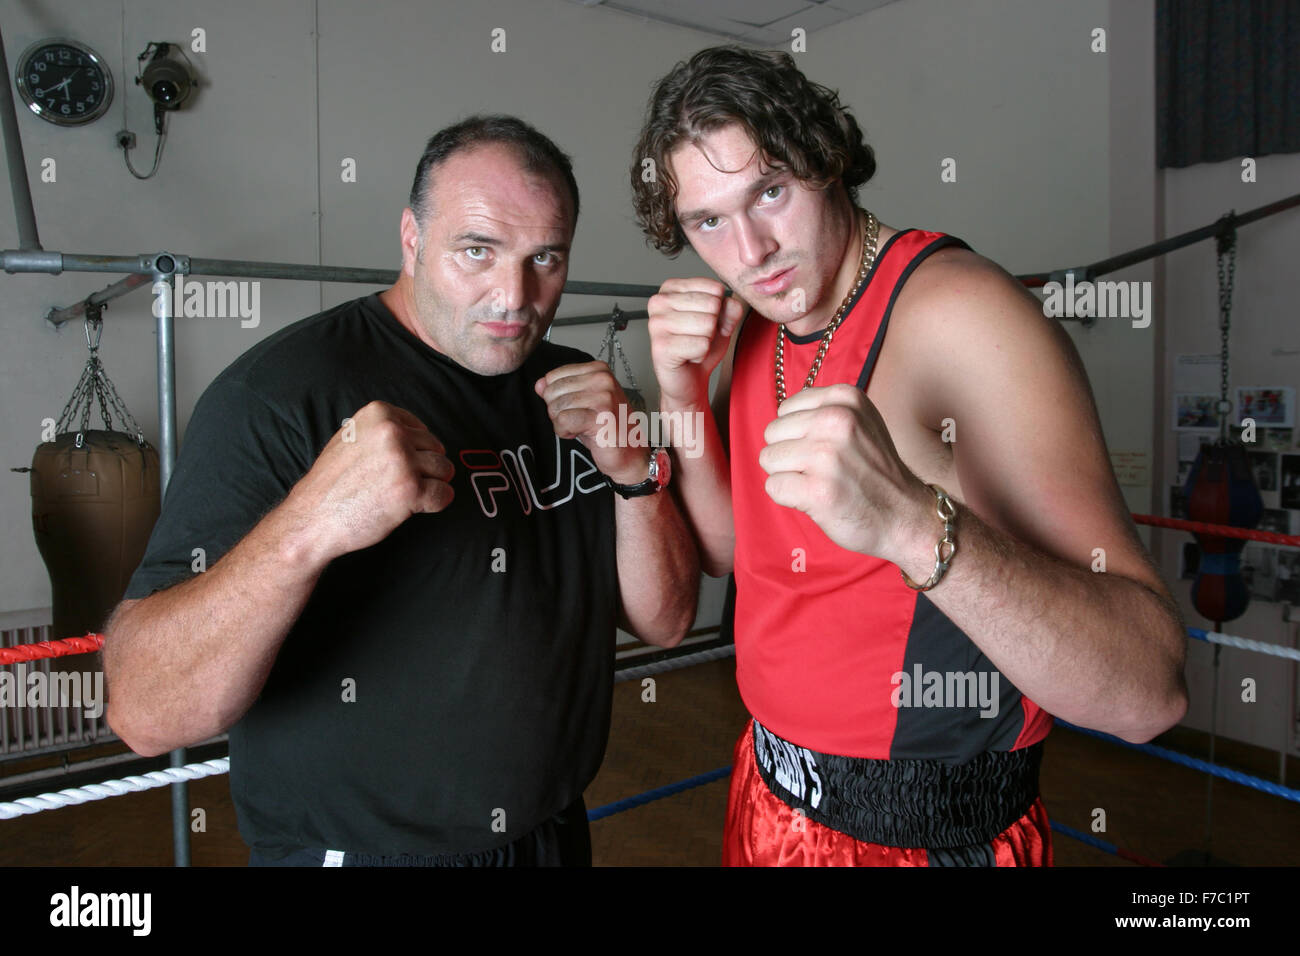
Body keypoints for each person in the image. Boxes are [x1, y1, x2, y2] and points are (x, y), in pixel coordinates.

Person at [632, 47, 1189, 866]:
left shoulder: (965, 316)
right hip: (767, 798)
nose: (749, 251)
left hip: (927, 838)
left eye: (770, 191)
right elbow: (728, 552)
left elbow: (1150, 692)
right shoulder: (760, 323)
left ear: (826, 159)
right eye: (707, 222)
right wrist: (679, 392)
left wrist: (910, 525)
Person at [103, 114, 699, 866]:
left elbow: (667, 623)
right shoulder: (282, 396)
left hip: (551, 835)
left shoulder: (575, 387)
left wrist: (634, 476)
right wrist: (306, 528)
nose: (513, 296)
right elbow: (143, 711)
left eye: (544, 258)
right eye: (476, 250)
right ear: (412, 239)